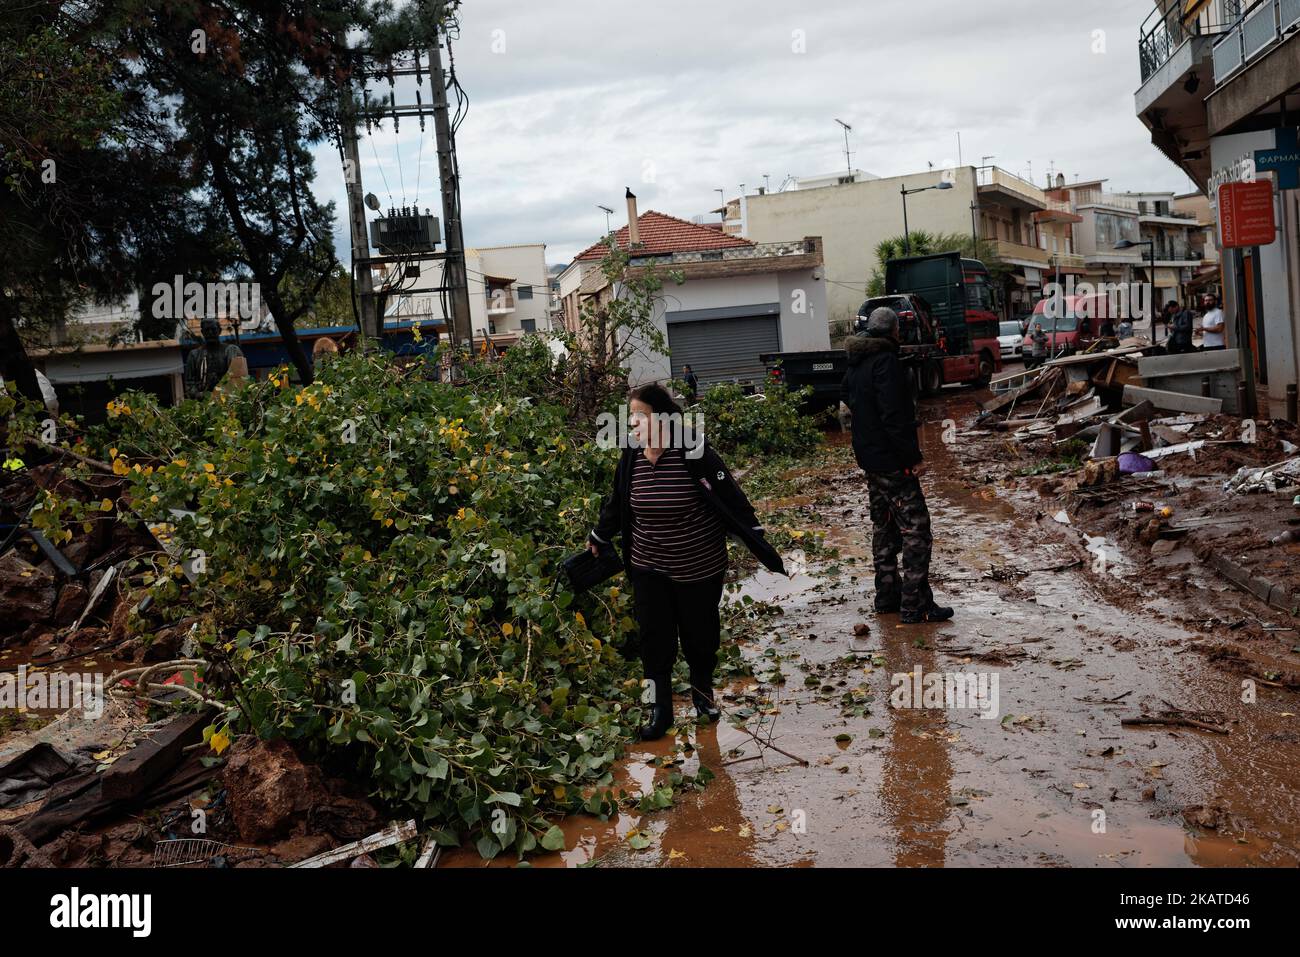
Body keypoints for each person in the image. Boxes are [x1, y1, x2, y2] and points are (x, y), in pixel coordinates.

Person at [588, 384, 784, 740]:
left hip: (698, 563)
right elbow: (617, 501)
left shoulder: (691, 448)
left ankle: (702, 693)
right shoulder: (631, 453)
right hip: (647, 563)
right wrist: (600, 535)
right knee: (653, 640)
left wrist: (752, 530)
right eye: (630, 415)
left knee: (700, 635)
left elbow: (727, 491)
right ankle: (657, 709)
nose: (632, 422)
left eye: (640, 415)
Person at [840, 307, 952, 625]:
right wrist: (911, 459)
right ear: (894, 331)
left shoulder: (857, 360)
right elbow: (895, 417)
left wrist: (866, 423)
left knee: (885, 526)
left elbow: (846, 393)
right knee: (917, 531)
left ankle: (886, 598)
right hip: (891, 461)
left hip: (870, 460)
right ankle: (915, 606)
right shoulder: (886, 362)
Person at [183, 317, 244, 399]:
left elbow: (239, 377)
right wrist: (199, 395)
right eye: (207, 330)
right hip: (203, 403)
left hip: (228, 399)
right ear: (202, 332)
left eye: (213, 329)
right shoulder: (194, 355)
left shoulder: (231, 351)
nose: (210, 333)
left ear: (219, 330)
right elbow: (189, 384)